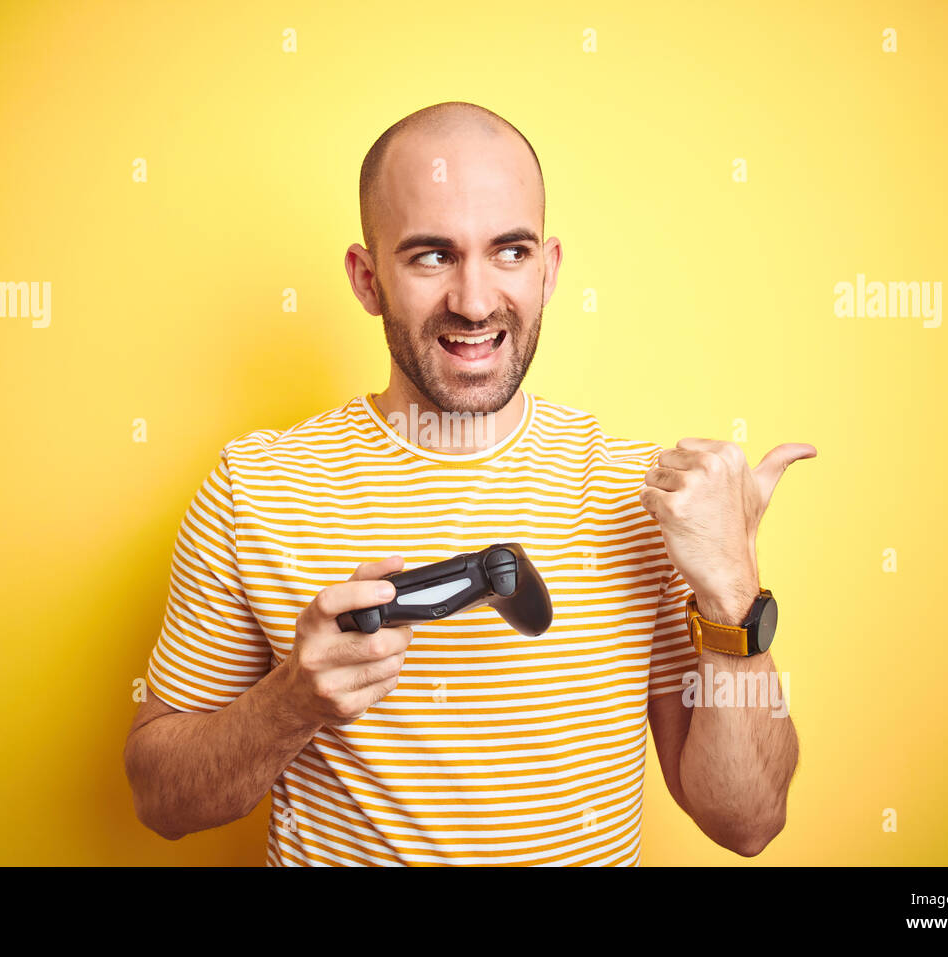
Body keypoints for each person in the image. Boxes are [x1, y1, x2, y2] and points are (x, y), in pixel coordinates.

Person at [123, 101, 812, 865]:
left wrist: (734, 597)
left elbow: (747, 822)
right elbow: (161, 799)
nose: (476, 301)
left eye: (509, 253)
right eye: (430, 256)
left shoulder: (638, 494)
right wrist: (291, 703)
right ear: (366, 278)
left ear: (548, 270)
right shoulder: (255, 486)